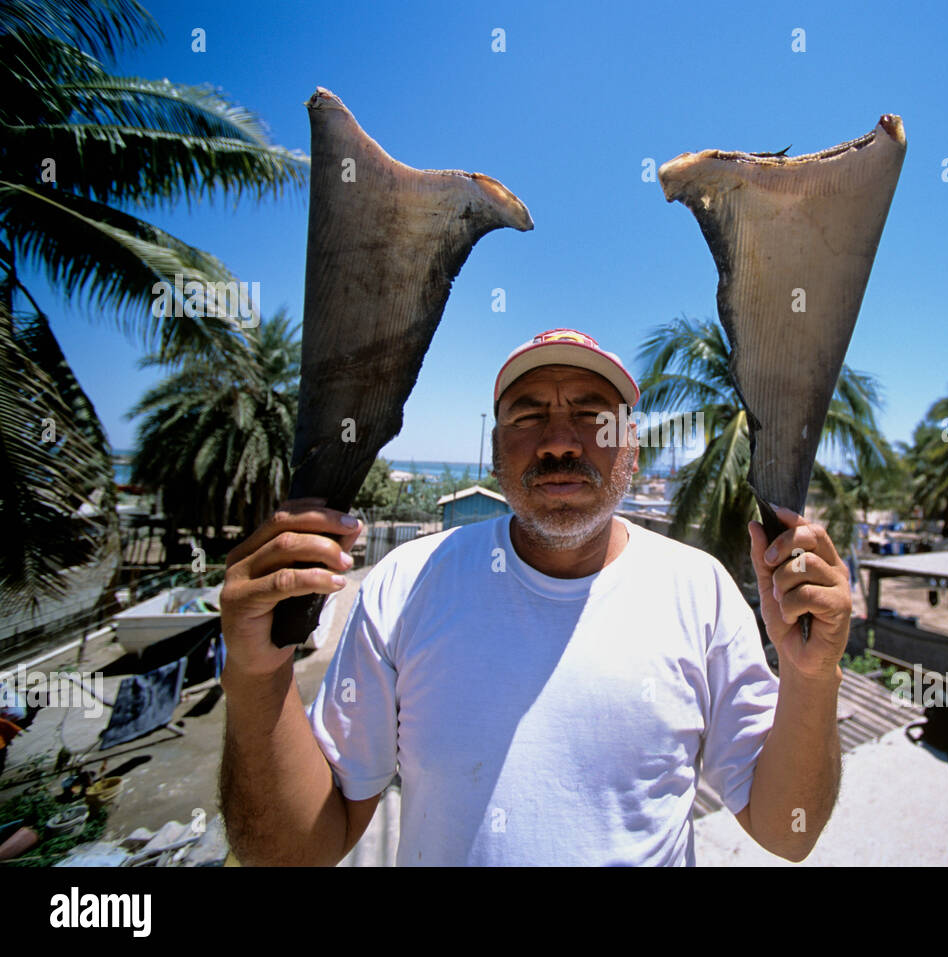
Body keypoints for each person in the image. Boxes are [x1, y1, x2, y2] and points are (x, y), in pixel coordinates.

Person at [218, 328, 852, 865]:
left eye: (591, 415)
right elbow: (294, 853)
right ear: (495, 449)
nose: (559, 442)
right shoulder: (405, 584)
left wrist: (814, 674)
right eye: (527, 415)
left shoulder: (701, 588)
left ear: (630, 444)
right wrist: (254, 676)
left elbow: (785, 830)